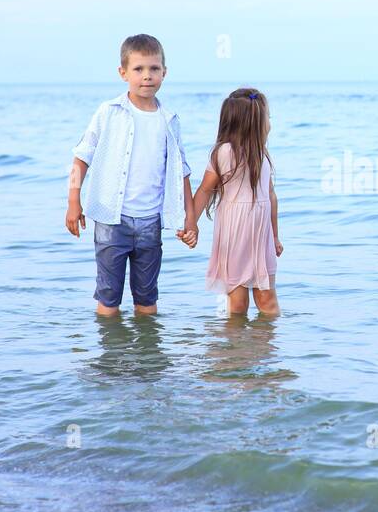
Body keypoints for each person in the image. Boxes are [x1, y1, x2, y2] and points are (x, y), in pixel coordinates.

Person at [65, 34, 193, 316]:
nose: (147, 76)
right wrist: (74, 201)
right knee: (109, 299)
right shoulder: (109, 112)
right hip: (113, 220)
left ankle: (148, 358)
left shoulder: (169, 120)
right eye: (138, 69)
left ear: (164, 72)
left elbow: (180, 172)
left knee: (147, 301)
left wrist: (190, 219)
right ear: (123, 73)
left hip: (150, 222)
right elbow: (81, 157)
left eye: (154, 69)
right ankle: (111, 358)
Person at [180, 88, 282, 317]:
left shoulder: (262, 154)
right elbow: (205, 190)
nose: (270, 124)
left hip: (261, 236)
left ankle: (267, 350)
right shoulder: (224, 153)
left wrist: (275, 236)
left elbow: (271, 196)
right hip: (234, 234)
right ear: (251, 123)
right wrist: (191, 224)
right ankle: (235, 352)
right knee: (237, 305)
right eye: (268, 118)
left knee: (268, 301)